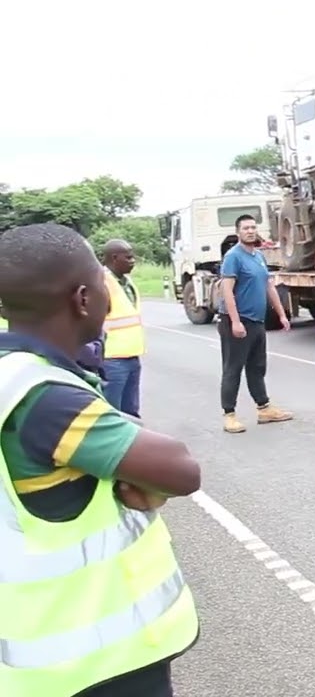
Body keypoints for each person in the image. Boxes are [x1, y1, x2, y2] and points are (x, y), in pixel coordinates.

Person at [0, 222, 201, 697]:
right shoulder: (46, 398)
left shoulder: (13, 375)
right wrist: (125, 472)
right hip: (95, 661)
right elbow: (180, 470)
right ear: (84, 299)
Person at [218, 214, 293, 433]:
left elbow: (269, 286)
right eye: (246, 228)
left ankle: (264, 408)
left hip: (257, 322)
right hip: (238, 321)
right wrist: (235, 321)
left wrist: (281, 314)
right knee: (233, 369)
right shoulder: (234, 257)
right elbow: (227, 291)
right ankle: (229, 415)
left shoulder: (258, 255)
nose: (250, 231)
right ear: (238, 232)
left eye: (253, 227)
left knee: (257, 367)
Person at [100, 239, 144, 417]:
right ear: (114, 258)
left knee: (131, 413)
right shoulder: (101, 283)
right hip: (112, 359)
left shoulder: (126, 282)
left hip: (132, 357)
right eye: (129, 258)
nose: (133, 261)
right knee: (112, 413)